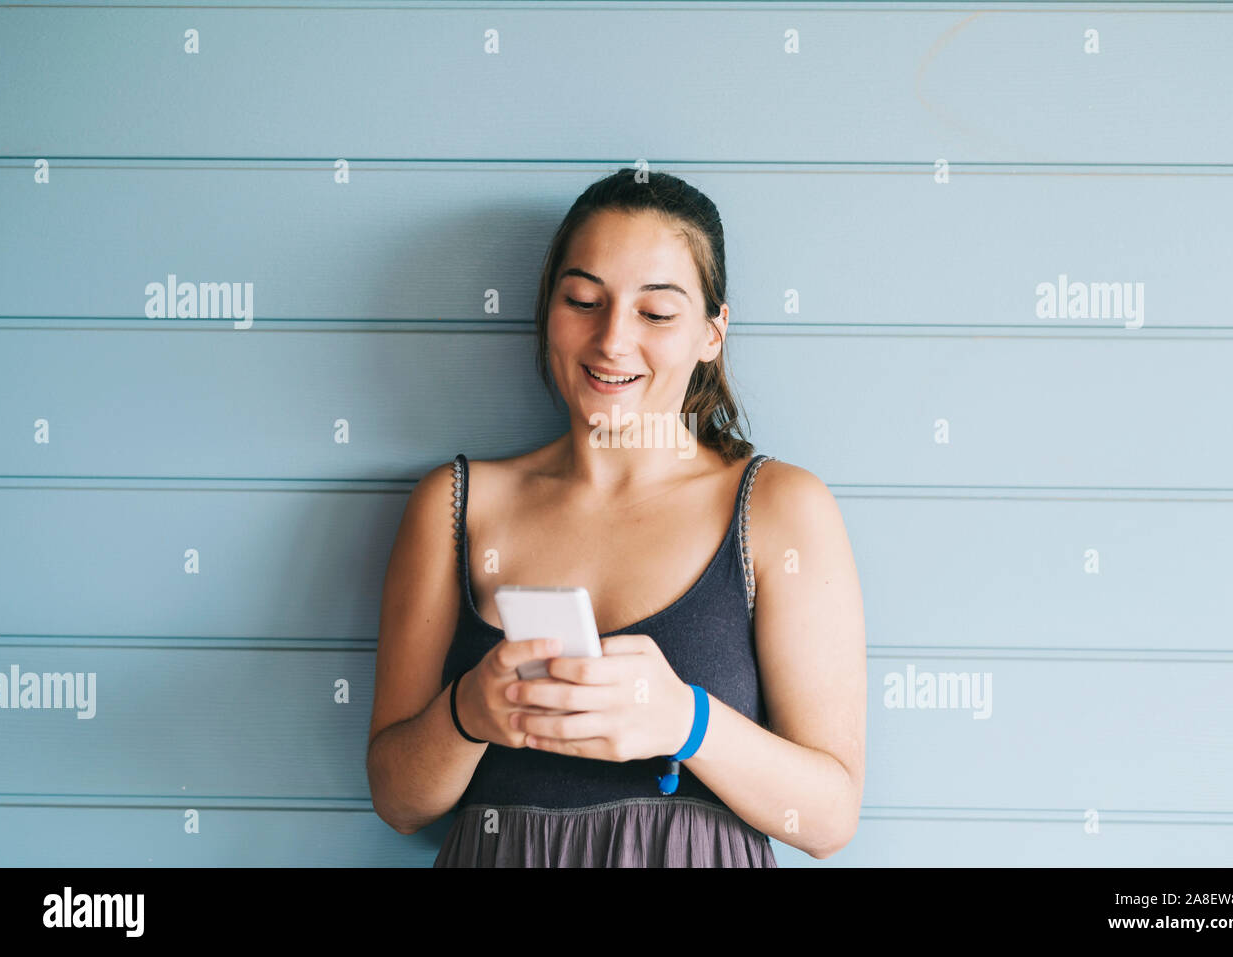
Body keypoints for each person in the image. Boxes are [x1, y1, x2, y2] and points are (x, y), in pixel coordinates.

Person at [366, 168, 866, 866]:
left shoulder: (779, 508)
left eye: (655, 313)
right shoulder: (456, 505)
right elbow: (398, 801)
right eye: (582, 301)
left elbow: (830, 817)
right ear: (549, 311)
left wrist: (687, 722)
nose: (611, 340)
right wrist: (467, 711)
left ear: (712, 333)